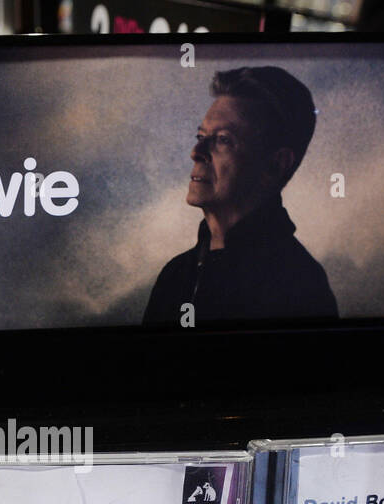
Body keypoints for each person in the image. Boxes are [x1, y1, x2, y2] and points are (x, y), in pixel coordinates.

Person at [143, 66, 338, 327]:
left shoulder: (300, 286)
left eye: (223, 139)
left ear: (276, 165)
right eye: (200, 136)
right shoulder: (176, 275)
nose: (196, 151)